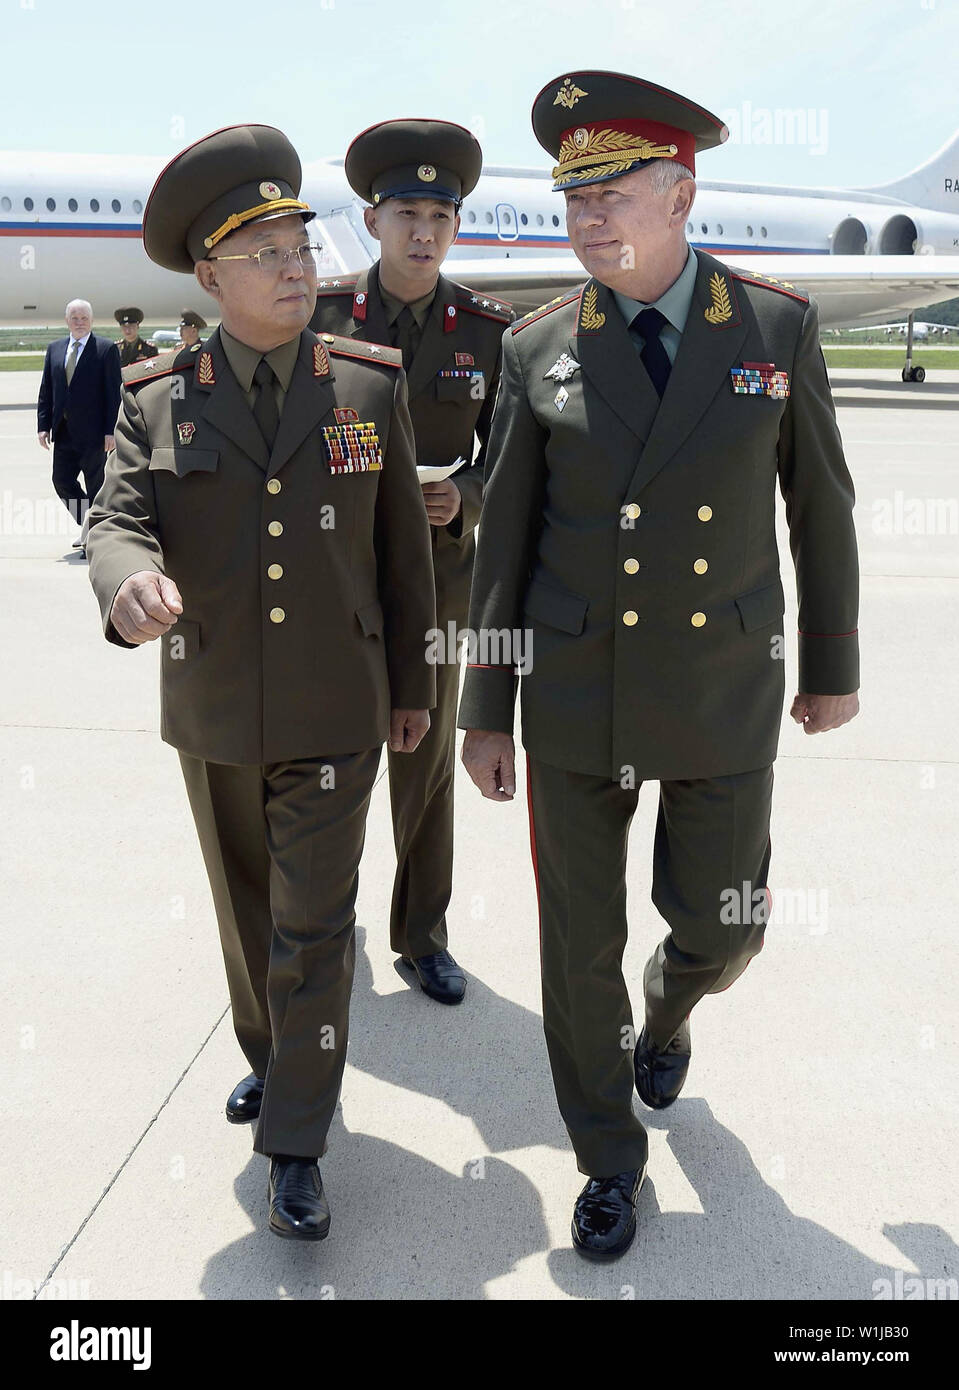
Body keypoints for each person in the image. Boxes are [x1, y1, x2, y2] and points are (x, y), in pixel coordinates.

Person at [459, 70, 861, 1261]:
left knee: (725, 923)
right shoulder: (538, 348)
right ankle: (605, 1159)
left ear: (679, 194)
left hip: (720, 686)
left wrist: (829, 661)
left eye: (611, 194)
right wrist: (485, 703)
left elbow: (822, 511)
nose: (584, 221)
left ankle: (672, 1004)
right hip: (576, 693)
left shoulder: (773, 329)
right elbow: (501, 540)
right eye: (570, 199)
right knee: (571, 950)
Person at [85, 124, 436, 1242]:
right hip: (216, 706)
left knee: (313, 925)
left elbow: (404, 563)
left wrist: (416, 686)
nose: (299, 267)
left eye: (300, 244)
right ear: (208, 279)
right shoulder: (156, 398)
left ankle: (295, 1137)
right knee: (248, 920)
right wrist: (129, 582)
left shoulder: (368, 388)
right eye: (267, 253)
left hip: (339, 706)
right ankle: (274, 1054)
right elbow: (118, 520)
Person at [310, 119, 513, 1006]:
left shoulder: (487, 330)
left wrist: (463, 496)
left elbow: (510, 459)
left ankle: (422, 934)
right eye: (405, 212)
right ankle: (321, 923)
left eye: (439, 213)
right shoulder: (318, 318)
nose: (422, 230)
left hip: (437, 582)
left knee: (424, 764)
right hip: (340, 582)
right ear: (371, 220)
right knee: (332, 760)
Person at [37, 299, 121, 555]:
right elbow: (47, 389)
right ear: (67, 321)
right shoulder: (55, 348)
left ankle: (94, 538)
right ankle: (90, 525)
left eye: (84, 317)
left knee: (96, 487)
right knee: (61, 481)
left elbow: (113, 393)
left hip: (95, 434)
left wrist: (111, 430)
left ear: (92, 320)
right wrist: (43, 425)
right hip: (63, 432)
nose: (80, 322)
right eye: (75, 317)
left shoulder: (105, 349)